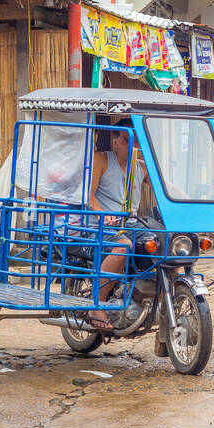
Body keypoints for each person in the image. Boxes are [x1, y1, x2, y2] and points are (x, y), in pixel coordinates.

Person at [84, 122, 145, 331]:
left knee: (166, 245)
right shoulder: (101, 159)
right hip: (102, 227)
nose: (132, 146)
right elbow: (88, 197)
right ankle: (97, 304)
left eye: (136, 141)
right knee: (124, 246)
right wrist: (104, 215)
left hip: (132, 224)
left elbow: (166, 187)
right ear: (115, 141)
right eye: (127, 141)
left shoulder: (141, 167)